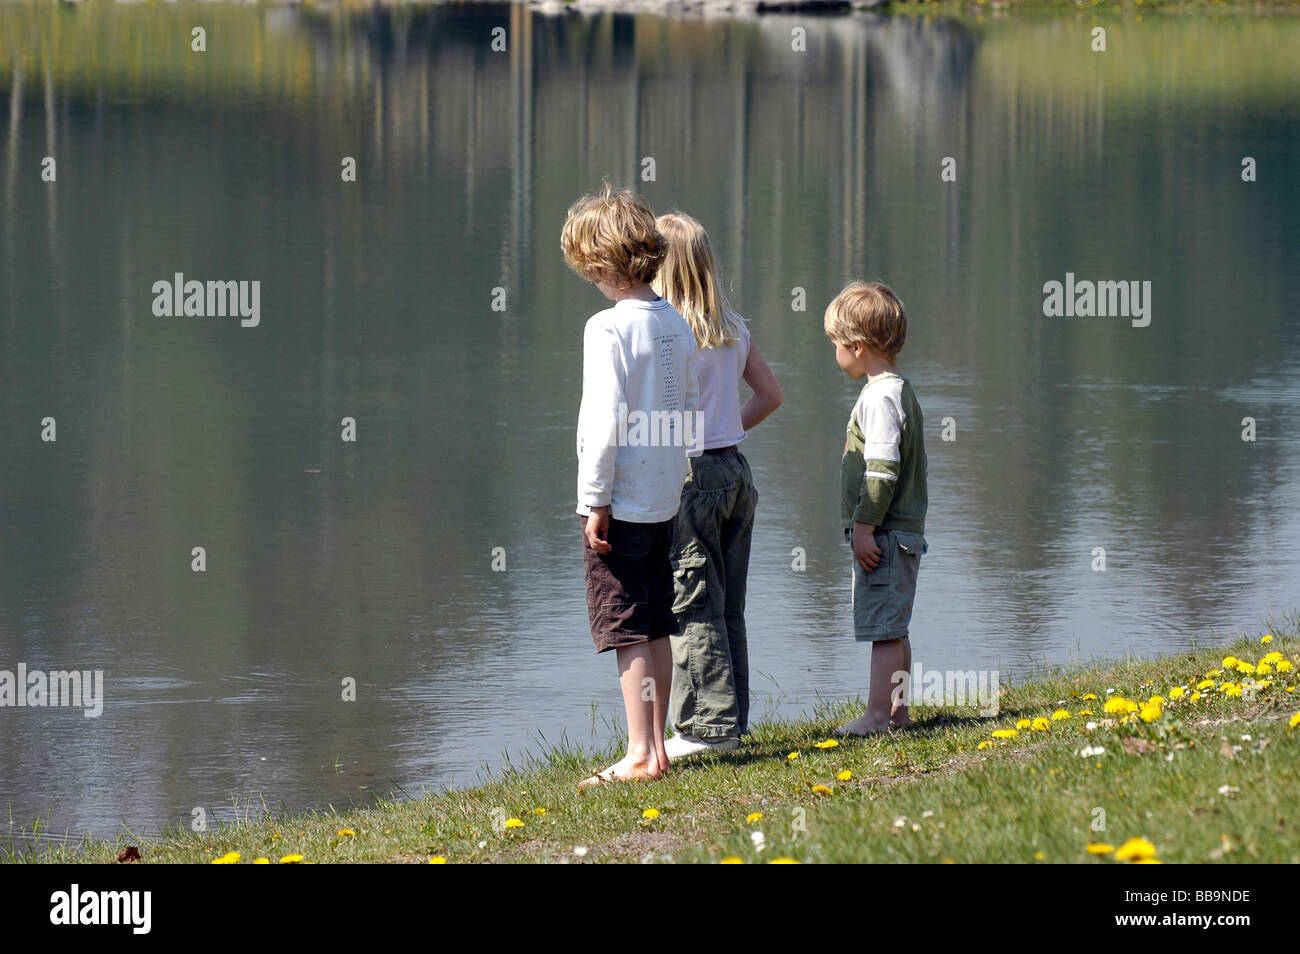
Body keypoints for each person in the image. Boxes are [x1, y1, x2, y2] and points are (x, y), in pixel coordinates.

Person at [561, 183, 699, 786]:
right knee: (658, 623)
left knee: (626, 628)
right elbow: (687, 407)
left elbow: (602, 419)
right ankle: (660, 745)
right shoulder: (677, 322)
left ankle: (640, 753)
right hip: (665, 495)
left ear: (599, 264)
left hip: (620, 503)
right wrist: (674, 474)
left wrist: (594, 500)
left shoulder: (607, 328)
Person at [651, 212, 782, 760]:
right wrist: (726, 429)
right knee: (727, 604)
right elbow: (771, 395)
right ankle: (732, 720)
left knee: (692, 602)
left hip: (689, 477)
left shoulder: (668, 333)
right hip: (735, 471)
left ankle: (706, 730)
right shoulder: (731, 324)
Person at [824, 281, 928, 735]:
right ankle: (898, 714)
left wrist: (864, 528)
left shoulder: (880, 397)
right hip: (899, 532)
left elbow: (882, 470)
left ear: (858, 346)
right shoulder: (897, 389)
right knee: (895, 627)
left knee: (883, 630)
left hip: (884, 534)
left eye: (835, 345)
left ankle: (876, 715)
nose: (835, 354)